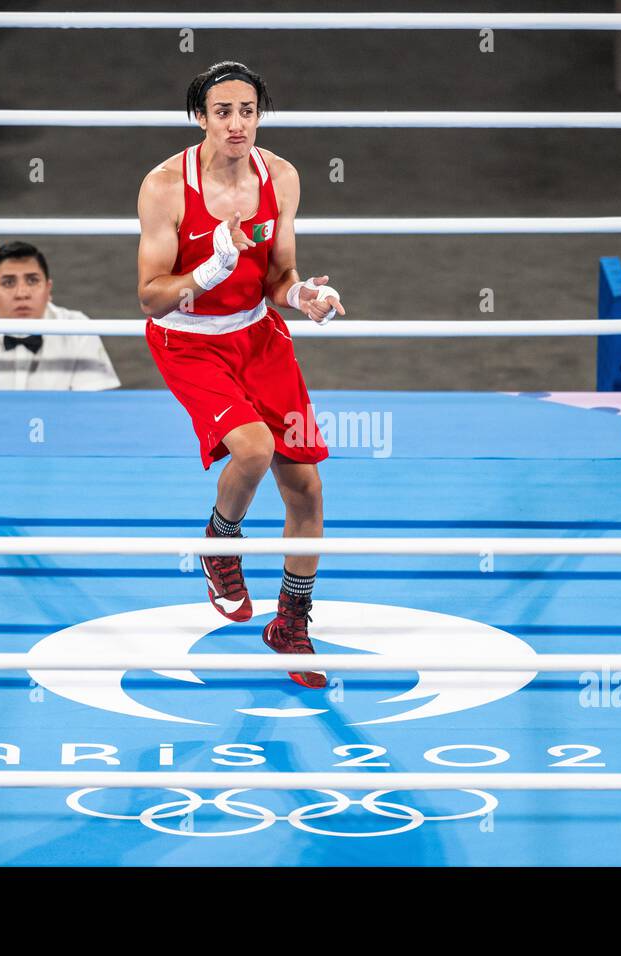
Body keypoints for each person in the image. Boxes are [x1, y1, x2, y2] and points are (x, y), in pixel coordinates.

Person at [136, 61, 344, 689]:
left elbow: (280, 276)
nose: (236, 123)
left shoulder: (280, 177)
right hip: (189, 342)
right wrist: (206, 272)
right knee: (252, 448)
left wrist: (302, 295)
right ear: (200, 116)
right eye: (222, 111)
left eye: (247, 110)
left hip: (258, 336)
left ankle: (291, 623)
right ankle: (219, 543)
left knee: (305, 488)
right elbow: (149, 296)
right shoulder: (166, 185)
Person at [0, 241, 120, 391]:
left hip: (58, 439)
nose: (22, 293)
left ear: (48, 289)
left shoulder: (79, 329)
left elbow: (94, 411)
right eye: (8, 283)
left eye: (32, 281)